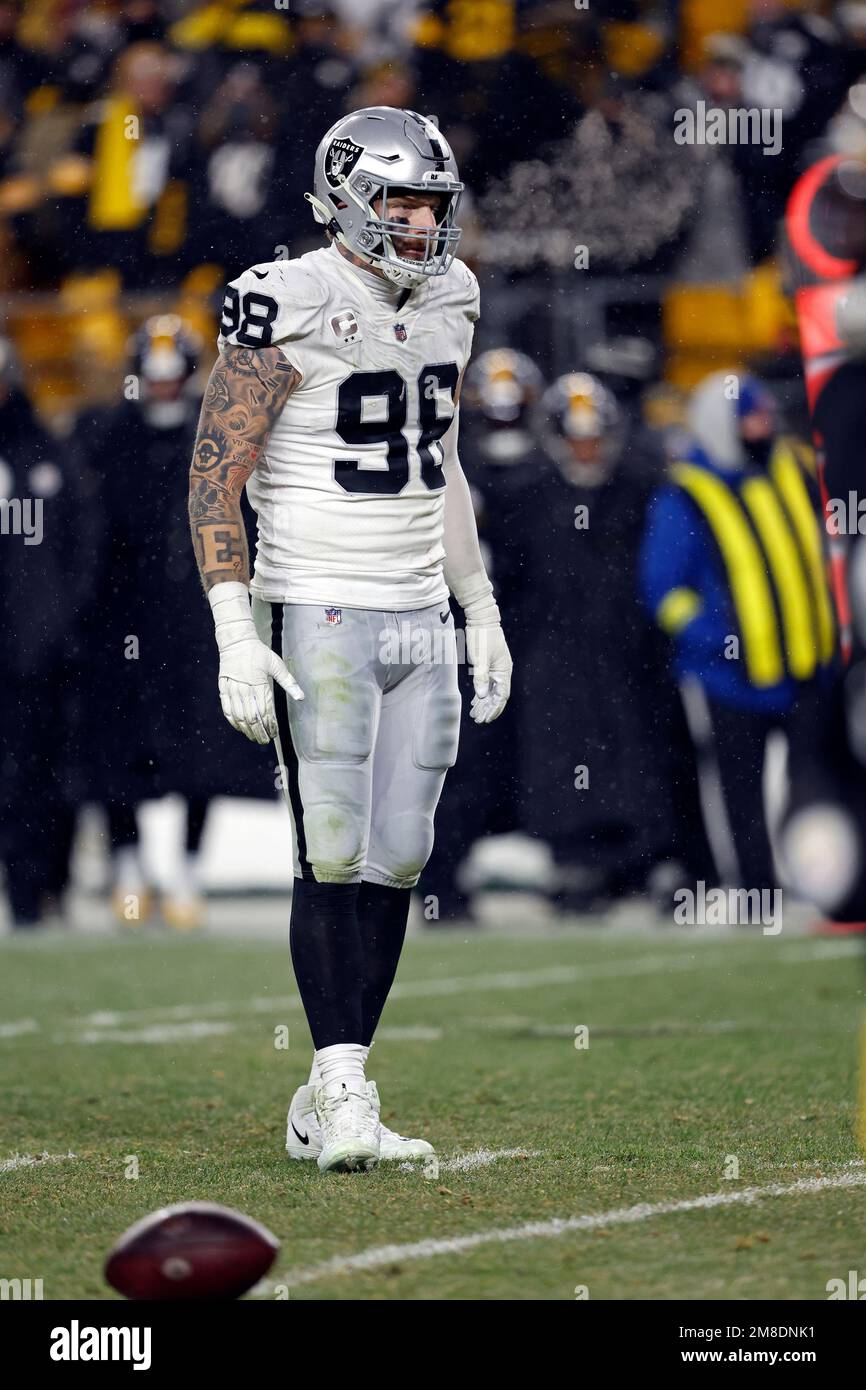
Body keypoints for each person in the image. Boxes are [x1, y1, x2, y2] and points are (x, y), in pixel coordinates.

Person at [188, 106, 512, 1172]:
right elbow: (213, 473)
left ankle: (334, 1085)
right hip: (315, 598)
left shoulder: (455, 296)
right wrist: (235, 629)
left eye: (431, 203)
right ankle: (338, 1086)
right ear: (343, 201)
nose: (419, 223)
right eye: (398, 201)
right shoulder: (286, 297)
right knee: (326, 849)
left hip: (419, 608)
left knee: (399, 856)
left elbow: (444, 460)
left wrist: (478, 603)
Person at [76, 314, 269, 928]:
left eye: (170, 379)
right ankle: (129, 867)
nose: (161, 390)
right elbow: (88, 534)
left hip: (196, 617)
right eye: (151, 380)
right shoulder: (105, 437)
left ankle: (186, 866)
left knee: (200, 749)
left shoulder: (217, 436)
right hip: (122, 617)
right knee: (119, 747)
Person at [514, 370, 712, 910]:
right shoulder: (527, 496)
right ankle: (580, 863)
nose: (587, 448)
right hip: (557, 657)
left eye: (595, 435)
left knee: (645, 757)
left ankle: (654, 861)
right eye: (576, 436)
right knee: (564, 759)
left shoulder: (644, 487)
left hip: (633, 654)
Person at [640, 371, 835, 892]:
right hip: (729, 679)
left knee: (813, 788)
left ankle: (819, 884)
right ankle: (753, 893)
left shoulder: (791, 469)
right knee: (737, 794)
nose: (764, 426)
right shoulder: (686, 494)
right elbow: (665, 591)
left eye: (767, 416)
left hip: (807, 668)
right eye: (751, 418)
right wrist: (722, 639)